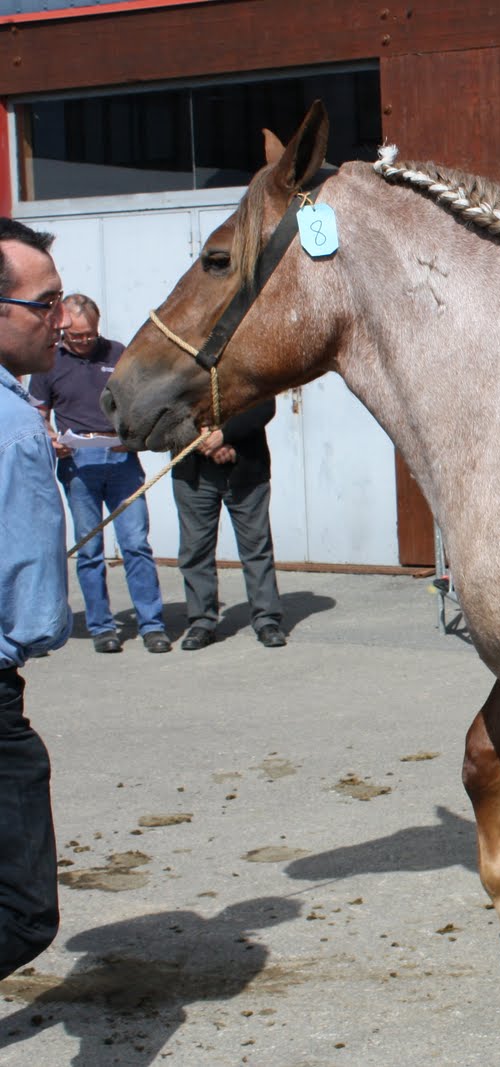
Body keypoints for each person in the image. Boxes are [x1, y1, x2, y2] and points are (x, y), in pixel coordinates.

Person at [0, 217, 72, 980]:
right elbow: (36, 618)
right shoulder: (18, 430)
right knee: (22, 911)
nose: (61, 316)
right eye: (45, 303)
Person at [28, 295, 169, 654]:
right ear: (63, 331)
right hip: (78, 464)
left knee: (136, 544)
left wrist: (134, 438)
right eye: (75, 337)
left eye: (89, 335)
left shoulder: (117, 353)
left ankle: (152, 624)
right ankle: (102, 626)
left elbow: (141, 401)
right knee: (90, 550)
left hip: (121, 462)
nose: (83, 342)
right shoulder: (50, 363)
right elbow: (39, 414)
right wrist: (50, 439)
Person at [172, 398, 288, 650]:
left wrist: (226, 436)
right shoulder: (175, 360)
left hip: (245, 467)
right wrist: (206, 441)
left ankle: (266, 619)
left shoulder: (245, 357)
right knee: (195, 551)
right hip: (193, 473)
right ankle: (202, 621)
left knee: (256, 548)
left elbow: (263, 404)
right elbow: (168, 407)